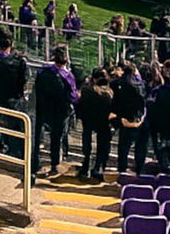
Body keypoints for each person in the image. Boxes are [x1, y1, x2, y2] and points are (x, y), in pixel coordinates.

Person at [32, 46, 77, 177]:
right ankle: (54, 164)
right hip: (60, 111)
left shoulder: (43, 72)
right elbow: (73, 96)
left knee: (38, 135)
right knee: (56, 138)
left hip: (43, 108)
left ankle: (35, 162)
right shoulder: (68, 77)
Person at [76, 68, 116, 179]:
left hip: (88, 120)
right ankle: (99, 168)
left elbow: (81, 105)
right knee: (103, 146)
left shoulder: (87, 90)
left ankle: (86, 167)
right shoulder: (110, 92)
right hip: (104, 121)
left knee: (87, 144)